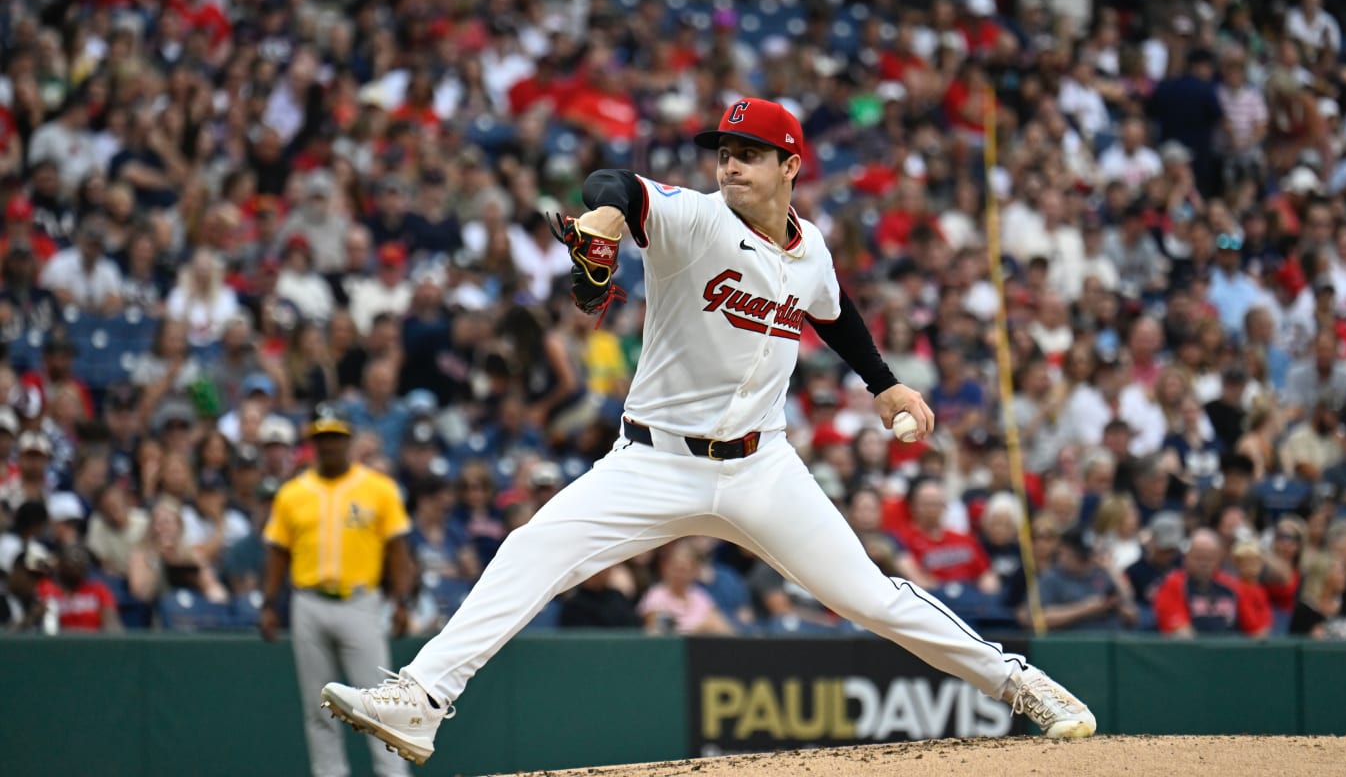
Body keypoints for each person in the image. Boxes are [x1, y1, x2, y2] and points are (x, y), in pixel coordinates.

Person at [318, 98, 1096, 766]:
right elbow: (616, 184)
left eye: (750, 154)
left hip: (763, 470)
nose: (731, 165)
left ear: (791, 165)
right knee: (533, 548)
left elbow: (833, 311)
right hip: (654, 460)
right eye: (725, 152)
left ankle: (1019, 683)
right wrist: (600, 229)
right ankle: (420, 696)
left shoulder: (811, 247)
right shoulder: (693, 219)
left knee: (872, 598)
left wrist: (884, 382)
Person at [262, 404, 414, 777]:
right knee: (319, 707)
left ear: (349, 441)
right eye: (322, 439)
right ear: (313, 443)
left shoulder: (378, 488)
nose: (329, 446)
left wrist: (401, 599)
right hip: (308, 602)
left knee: (380, 703)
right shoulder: (292, 493)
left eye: (335, 438)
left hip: (360, 601)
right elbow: (278, 552)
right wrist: (268, 603)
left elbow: (398, 550)